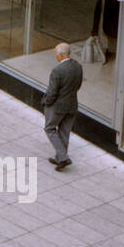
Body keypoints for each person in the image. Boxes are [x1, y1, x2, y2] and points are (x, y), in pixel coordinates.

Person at [43, 42, 84, 171]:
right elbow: (78, 85)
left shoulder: (57, 71)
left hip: (58, 106)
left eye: (56, 54)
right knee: (64, 131)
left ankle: (63, 156)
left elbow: (52, 92)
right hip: (72, 104)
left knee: (49, 128)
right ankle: (60, 158)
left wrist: (46, 102)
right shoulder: (78, 67)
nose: (55, 56)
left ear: (60, 55)